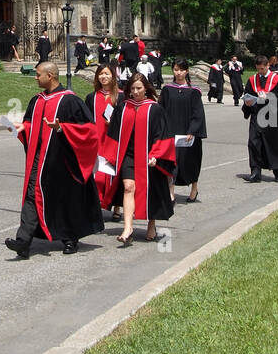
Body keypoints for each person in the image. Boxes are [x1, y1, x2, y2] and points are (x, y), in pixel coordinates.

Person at [5, 61, 103, 258]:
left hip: (63, 163)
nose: (35, 77)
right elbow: (30, 123)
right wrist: (24, 128)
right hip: (38, 161)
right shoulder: (36, 100)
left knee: (64, 200)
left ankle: (70, 238)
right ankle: (23, 241)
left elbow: (89, 132)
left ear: (50, 76)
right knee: (32, 197)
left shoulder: (70, 101)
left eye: (38, 74)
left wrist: (62, 128)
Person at [102, 72, 175, 243]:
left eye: (139, 88)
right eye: (133, 88)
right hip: (128, 155)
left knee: (151, 190)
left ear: (146, 88)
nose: (135, 92)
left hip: (149, 156)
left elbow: (162, 135)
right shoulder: (123, 107)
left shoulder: (155, 109)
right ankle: (128, 227)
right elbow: (113, 133)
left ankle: (151, 224)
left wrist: (156, 154)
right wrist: (109, 156)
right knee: (128, 187)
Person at [159, 59, 206, 203]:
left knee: (190, 162)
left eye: (181, 70)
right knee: (171, 162)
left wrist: (192, 131)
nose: (178, 73)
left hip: (188, 134)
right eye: (175, 69)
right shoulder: (167, 89)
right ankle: (171, 192)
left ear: (187, 71)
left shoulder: (194, 91)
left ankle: (194, 188)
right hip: (171, 132)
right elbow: (161, 111)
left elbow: (198, 114)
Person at [241, 54, 278, 183]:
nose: (260, 71)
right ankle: (255, 171)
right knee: (254, 143)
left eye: (262, 68)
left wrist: (269, 97)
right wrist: (247, 102)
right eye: (258, 69)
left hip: (273, 117)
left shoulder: (277, 80)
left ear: (268, 66)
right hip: (257, 116)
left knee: (274, 144)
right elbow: (248, 94)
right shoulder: (252, 80)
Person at [85, 63, 122, 216]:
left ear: (113, 76)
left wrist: (114, 123)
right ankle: (96, 205)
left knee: (114, 173)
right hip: (97, 141)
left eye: (107, 74)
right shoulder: (91, 97)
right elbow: (85, 120)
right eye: (101, 74)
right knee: (97, 175)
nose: (103, 77)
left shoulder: (121, 96)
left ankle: (117, 207)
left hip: (114, 140)